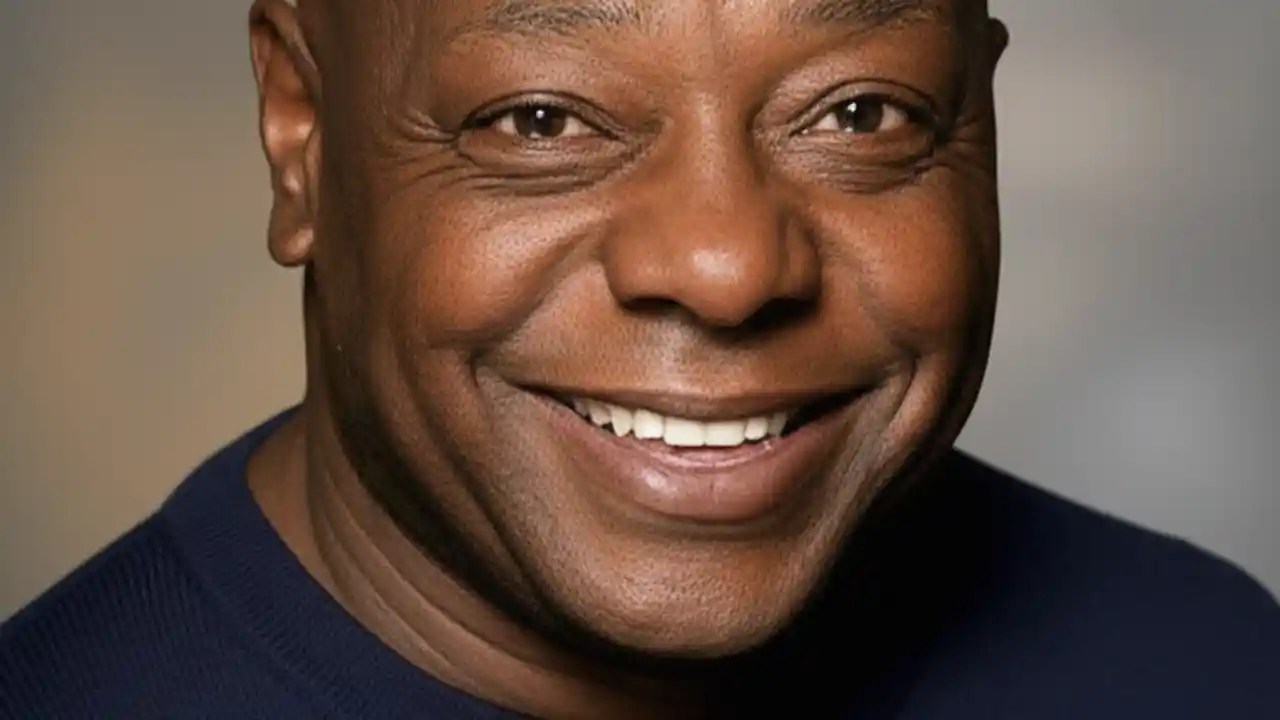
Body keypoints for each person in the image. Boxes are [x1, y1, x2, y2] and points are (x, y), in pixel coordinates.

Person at [3, 0, 1278, 717]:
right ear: (300, 134)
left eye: (860, 112)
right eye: (542, 119)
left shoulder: (1204, 669)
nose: (727, 269)